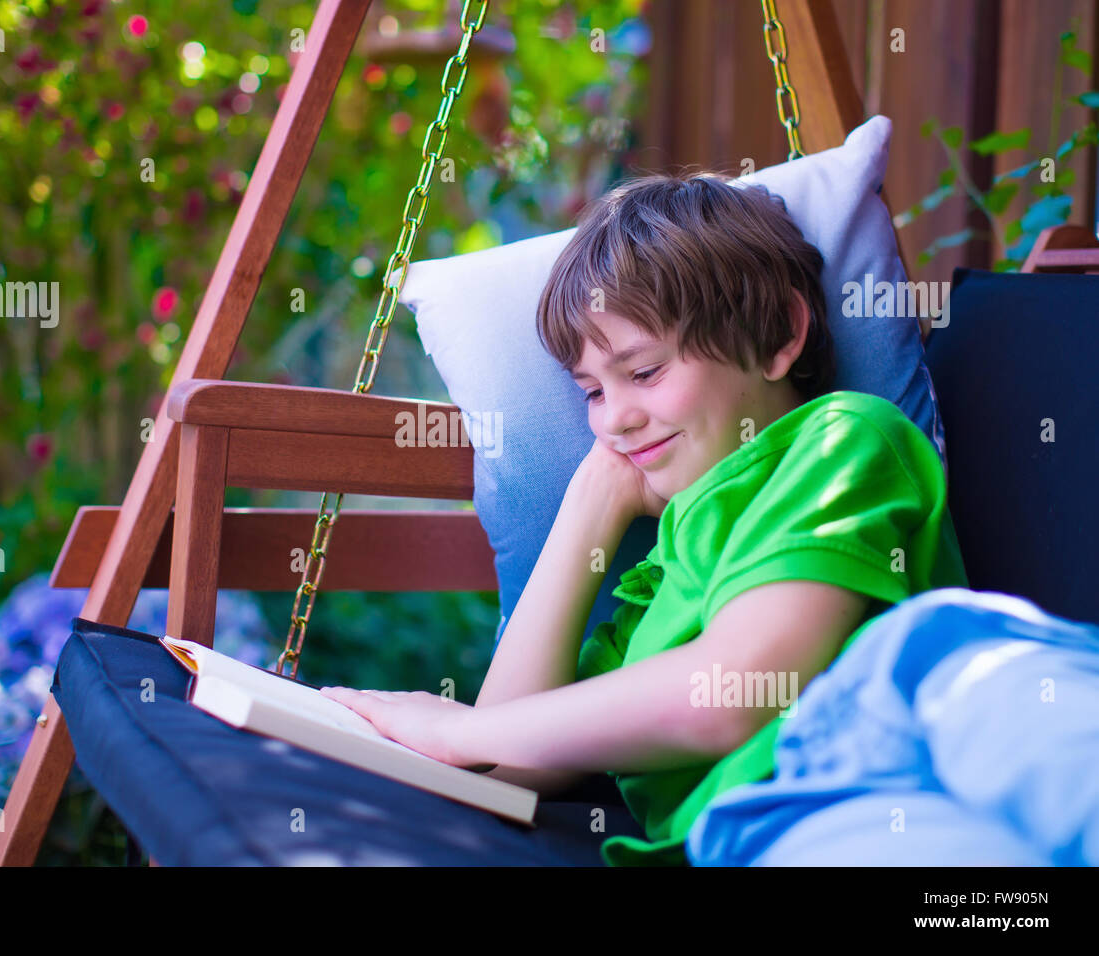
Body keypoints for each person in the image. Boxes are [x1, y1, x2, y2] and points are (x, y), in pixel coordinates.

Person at [322, 172, 969, 865]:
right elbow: (513, 768)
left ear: (780, 333)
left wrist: (456, 733)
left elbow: (733, 694)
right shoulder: (658, 572)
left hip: (875, 819)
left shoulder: (845, 441)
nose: (616, 420)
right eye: (593, 392)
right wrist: (588, 510)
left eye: (646, 371)